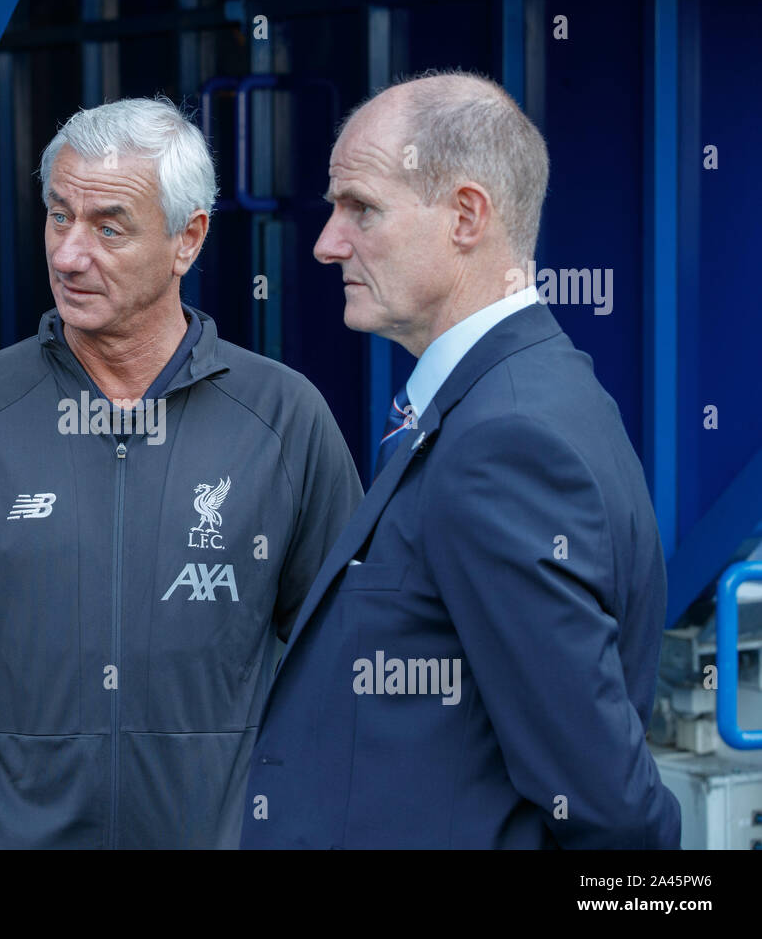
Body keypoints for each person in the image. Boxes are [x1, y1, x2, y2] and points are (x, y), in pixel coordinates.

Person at [0, 96, 362, 849]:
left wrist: (278, 814)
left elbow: (343, 648)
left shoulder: (283, 420)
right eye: (59, 216)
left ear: (189, 238)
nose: (67, 253)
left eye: (108, 226)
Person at [242, 71, 681, 849]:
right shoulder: (511, 398)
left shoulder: (504, 443)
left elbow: (608, 807)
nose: (325, 242)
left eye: (361, 208)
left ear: (467, 216)